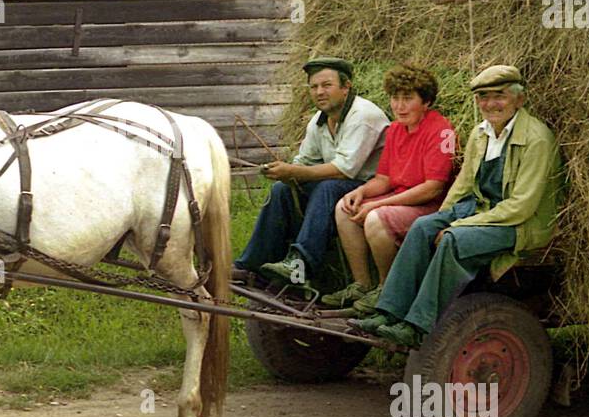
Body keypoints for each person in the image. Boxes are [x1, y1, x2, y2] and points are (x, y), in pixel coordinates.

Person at [350, 64, 564, 348]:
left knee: (453, 240)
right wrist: (443, 216)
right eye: (484, 97)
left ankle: (417, 325)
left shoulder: (536, 139)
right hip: (480, 209)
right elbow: (462, 184)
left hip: (518, 224)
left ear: (519, 99)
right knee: (423, 227)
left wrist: (458, 225)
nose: (491, 104)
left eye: (499, 96)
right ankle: (389, 312)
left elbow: (521, 206)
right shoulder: (481, 133)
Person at [234, 57, 389, 288]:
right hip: (341, 185)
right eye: (314, 87)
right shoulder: (319, 120)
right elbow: (305, 161)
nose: (319, 92)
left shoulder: (364, 116)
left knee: (328, 187)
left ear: (346, 88)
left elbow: (344, 171)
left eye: (327, 85)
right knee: (281, 189)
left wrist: (294, 170)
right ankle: (253, 265)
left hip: (372, 188)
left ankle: (301, 263)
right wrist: (286, 172)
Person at [322, 63, 455, 309]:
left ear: (425, 102)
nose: (399, 106)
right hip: (401, 197)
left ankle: (387, 290)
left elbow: (433, 188)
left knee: (375, 218)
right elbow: (384, 179)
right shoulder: (395, 129)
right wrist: (360, 192)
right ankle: (362, 284)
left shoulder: (441, 130)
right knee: (344, 207)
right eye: (395, 98)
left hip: (430, 205)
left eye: (408, 98)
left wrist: (380, 203)